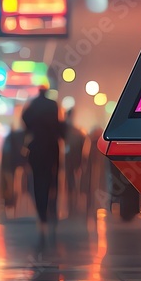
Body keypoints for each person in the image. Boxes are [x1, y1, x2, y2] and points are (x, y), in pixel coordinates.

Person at [22, 86, 63, 223]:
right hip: (52, 146)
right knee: (52, 177)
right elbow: (59, 125)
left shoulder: (33, 105)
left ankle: (41, 210)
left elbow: (25, 120)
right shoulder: (53, 105)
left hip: (37, 146)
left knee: (38, 179)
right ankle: (52, 208)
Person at [62, 108, 87, 209]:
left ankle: (71, 195)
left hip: (69, 158)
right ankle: (73, 196)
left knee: (70, 177)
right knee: (73, 177)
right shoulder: (78, 131)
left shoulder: (66, 130)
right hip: (75, 158)